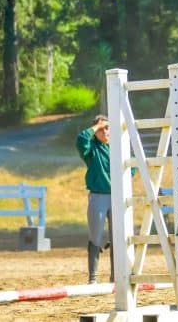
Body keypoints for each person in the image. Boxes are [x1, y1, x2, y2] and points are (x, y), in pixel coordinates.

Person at [76, 114, 113, 284]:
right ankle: (93, 278)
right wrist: (96, 126)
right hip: (98, 196)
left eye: (107, 128)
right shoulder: (91, 149)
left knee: (118, 237)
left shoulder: (117, 148)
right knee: (96, 236)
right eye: (101, 129)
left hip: (117, 197)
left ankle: (116, 275)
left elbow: (131, 169)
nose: (104, 131)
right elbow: (81, 139)